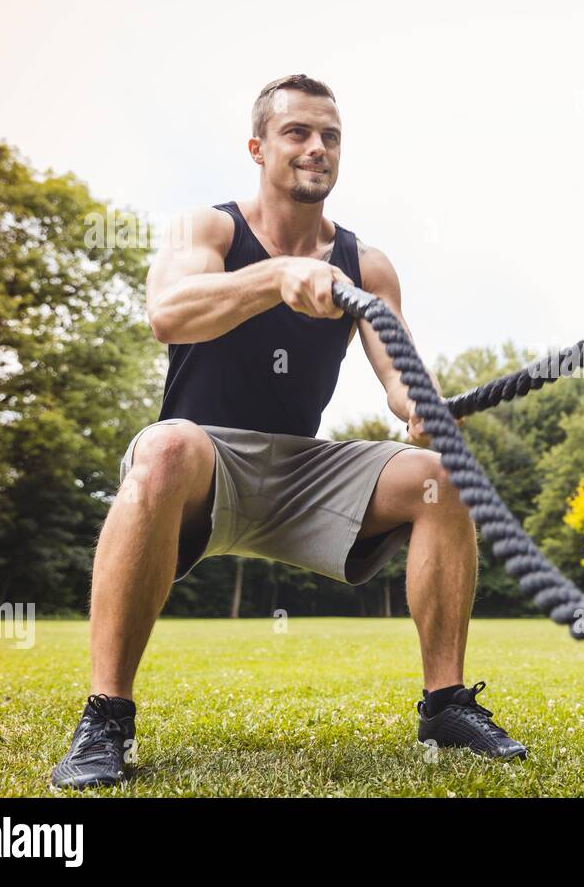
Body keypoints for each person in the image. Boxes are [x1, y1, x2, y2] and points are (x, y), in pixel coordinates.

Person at [50, 75, 527, 790]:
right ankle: (106, 718)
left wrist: (421, 406)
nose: (317, 148)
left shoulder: (366, 265)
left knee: (441, 478)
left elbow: (400, 378)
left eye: (330, 136)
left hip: (304, 470)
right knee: (162, 446)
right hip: (204, 464)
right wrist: (275, 278)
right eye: (298, 133)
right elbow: (168, 313)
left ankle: (446, 705)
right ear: (257, 146)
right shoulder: (207, 229)